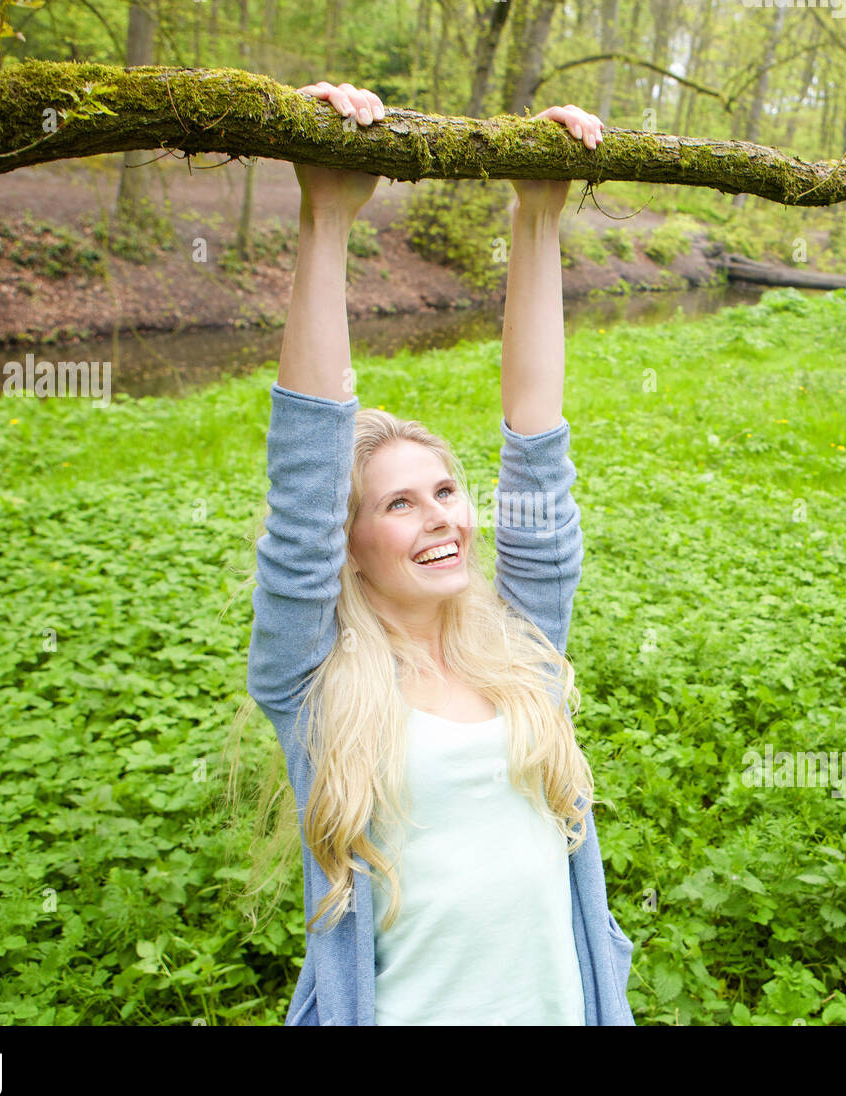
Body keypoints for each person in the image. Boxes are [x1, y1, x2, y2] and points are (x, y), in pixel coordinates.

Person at [244, 80, 635, 1025]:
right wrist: (326, 213)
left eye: (449, 493)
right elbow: (304, 488)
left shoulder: (517, 645)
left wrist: (537, 216)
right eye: (400, 504)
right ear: (349, 546)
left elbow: (537, 444)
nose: (442, 519)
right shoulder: (315, 680)